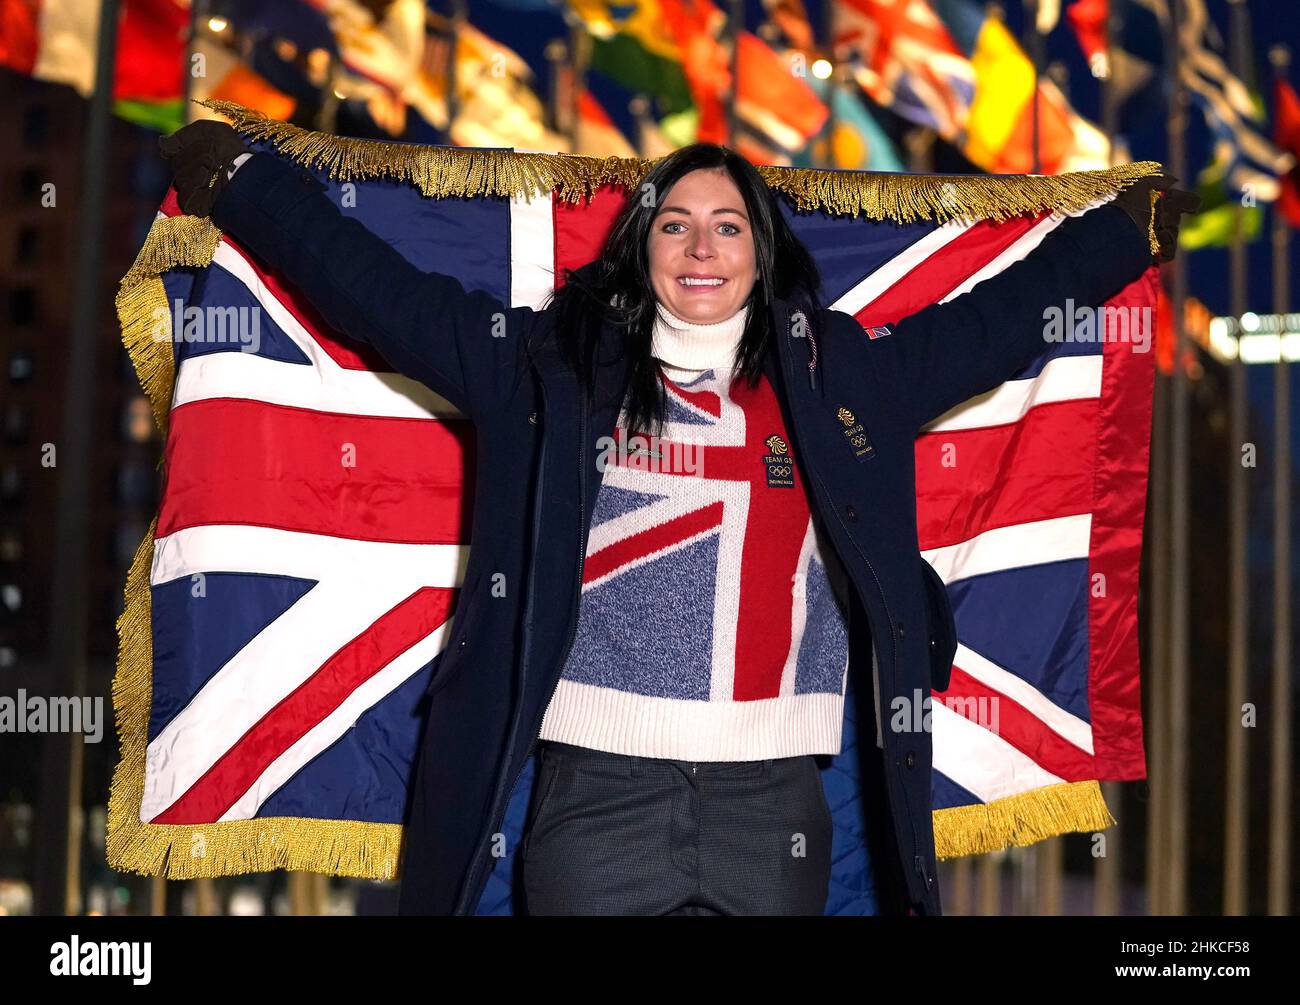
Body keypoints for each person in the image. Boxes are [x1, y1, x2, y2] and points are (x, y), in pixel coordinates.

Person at [159, 119, 1197, 916]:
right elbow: (376, 291)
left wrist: (1122, 236)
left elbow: (996, 323)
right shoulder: (546, 368)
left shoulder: (840, 375)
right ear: (641, 246)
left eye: (728, 225)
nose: (702, 248)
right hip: (592, 805)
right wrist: (244, 183)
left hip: (776, 808)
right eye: (674, 224)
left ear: (762, 250)